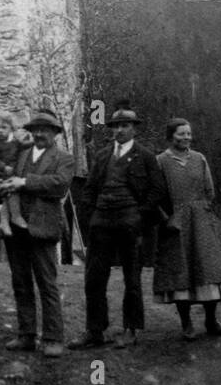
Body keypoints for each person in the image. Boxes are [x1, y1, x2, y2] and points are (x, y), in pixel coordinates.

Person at [70, 106, 167, 349]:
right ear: (111, 129)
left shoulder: (145, 156)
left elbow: (157, 190)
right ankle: (95, 331)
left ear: (134, 129)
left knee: (131, 277)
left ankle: (131, 329)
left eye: (125, 125)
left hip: (129, 222)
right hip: (101, 222)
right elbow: (89, 189)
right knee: (94, 277)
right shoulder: (102, 156)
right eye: (116, 126)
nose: (120, 130)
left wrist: (139, 215)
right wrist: (91, 216)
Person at [0, 110, 76, 357]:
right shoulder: (21, 155)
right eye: (36, 129)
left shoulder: (65, 158)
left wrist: (24, 182)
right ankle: (26, 335)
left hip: (44, 227)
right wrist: (3, 186)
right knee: (21, 282)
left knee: (47, 283)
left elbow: (59, 185)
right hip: (18, 228)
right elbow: (7, 183)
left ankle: (53, 337)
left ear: (54, 133)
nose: (40, 134)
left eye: (46, 130)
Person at [152, 118, 221, 340]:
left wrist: (203, 212)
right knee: (181, 272)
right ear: (170, 136)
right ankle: (186, 324)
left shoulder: (199, 159)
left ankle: (211, 320)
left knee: (208, 268)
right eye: (181, 134)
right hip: (175, 224)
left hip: (201, 221)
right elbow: (155, 197)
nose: (186, 138)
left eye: (188, 134)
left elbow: (209, 191)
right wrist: (167, 219)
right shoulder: (161, 161)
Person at [0, 112, 30, 237]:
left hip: (10, 175)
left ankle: (4, 222)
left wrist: (31, 141)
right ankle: (15, 216)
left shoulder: (14, 142)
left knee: (8, 196)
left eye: (4, 128)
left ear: (10, 128)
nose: (0, 131)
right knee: (10, 192)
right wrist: (3, 167)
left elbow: (23, 146)